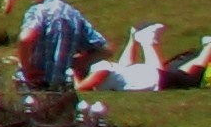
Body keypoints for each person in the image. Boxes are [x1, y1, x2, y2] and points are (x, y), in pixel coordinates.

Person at [13, 0, 108, 92]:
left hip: (34, 83)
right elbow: (105, 49)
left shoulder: (39, 10)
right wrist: (75, 63)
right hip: (61, 87)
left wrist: (27, 68)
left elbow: (25, 38)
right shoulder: (74, 15)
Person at [76, 25, 211, 93]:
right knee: (187, 72)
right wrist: (132, 41)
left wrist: (73, 71)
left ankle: (148, 41)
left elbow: (80, 88)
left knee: (192, 78)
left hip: (153, 80)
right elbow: (125, 65)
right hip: (151, 77)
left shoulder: (100, 69)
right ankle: (208, 46)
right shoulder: (103, 67)